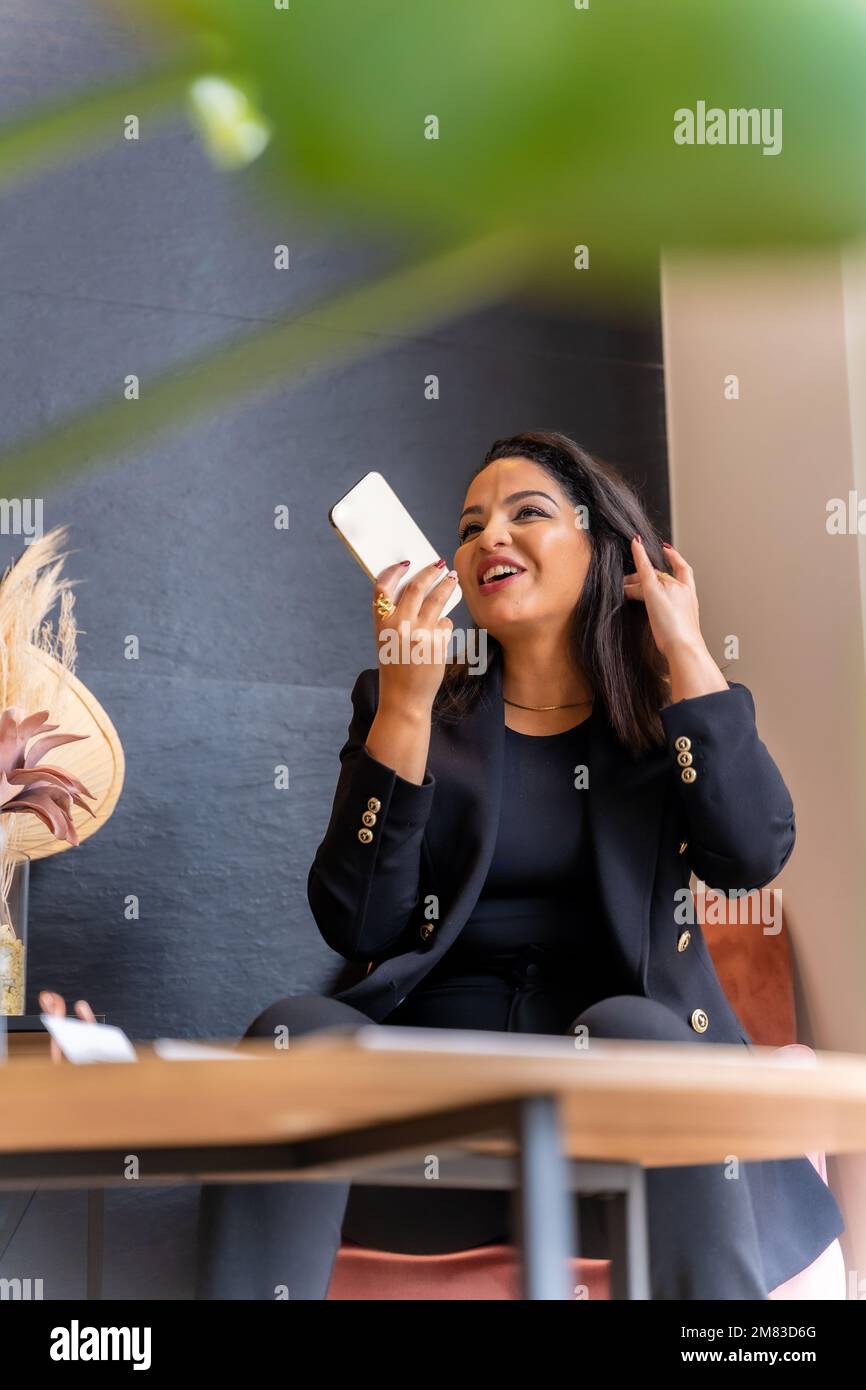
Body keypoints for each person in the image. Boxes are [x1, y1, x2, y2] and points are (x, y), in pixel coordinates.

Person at [49, 430, 847, 1300]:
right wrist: (404, 705)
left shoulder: (667, 717)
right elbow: (358, 924)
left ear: (611, 550)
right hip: (438, 1120)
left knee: (636, 1028)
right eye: (470, 526)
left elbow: (751, 855)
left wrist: (686, 652)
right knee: (300, 1025)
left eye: (526, 513)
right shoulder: (418, 704)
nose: (487, 539)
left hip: (626, 1117)